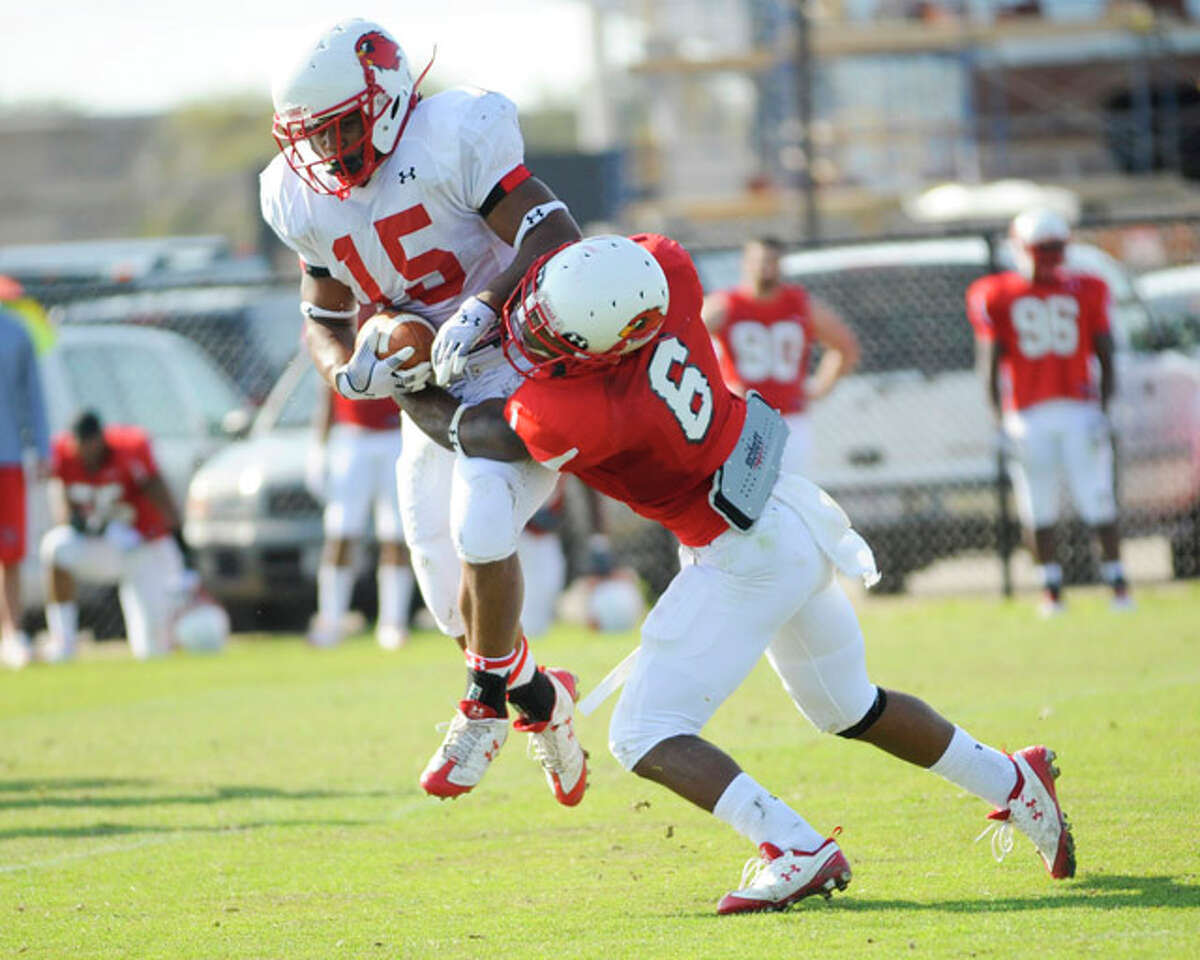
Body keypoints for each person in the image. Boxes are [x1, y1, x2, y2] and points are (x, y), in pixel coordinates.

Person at [392, 233, 1076, 913]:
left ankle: (794, 847)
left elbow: (476, 434)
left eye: (552, 330)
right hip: (785, 513)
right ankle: (1013, 779)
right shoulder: (667, 273)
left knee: (642, 732)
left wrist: (397, 388)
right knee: (850, 706)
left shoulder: (582, 408)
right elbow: (616, 259)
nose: (529, 328)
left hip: (743, 553)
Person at [259, 18, 587, 804]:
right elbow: (324, 316)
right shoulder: (296, 196)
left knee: (483, 525)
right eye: (310, 138)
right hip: (427, 389)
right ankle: (538, 695)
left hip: (514, 355)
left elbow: (556, 232)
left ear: (386, 97)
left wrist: (486, 304)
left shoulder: (452, 134)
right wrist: (344, 376)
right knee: (448, 601)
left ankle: (482, 705)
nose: (327, 154)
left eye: (339, 129)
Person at [967, 209, 1130, 615]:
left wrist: (1103, 409)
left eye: (1057, 248)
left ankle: (1118, 582)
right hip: (1028, 412)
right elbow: (990, 360)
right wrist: (998, 418)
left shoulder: (1089, 287)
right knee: (1036, 504)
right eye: (1044, 249)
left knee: (1097, 497)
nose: (1051, 257)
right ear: (1021, 248)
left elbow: (1105, 352)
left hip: (1077, 407)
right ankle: (1051, 588)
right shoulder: (995, 292)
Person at [41, 411, 192, 661]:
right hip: (102, 547)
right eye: (81, 446)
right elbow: (63, 514)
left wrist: (183, 552)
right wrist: (99, 528)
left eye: (90, 444)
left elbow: (162, 499)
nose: (86, 452)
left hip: (142, 546)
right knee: (56, 547)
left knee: (152, 650)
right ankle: (63, 643)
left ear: (100, 439)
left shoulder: (130, 449)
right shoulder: (63, 456)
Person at [702, 236, 859, 470]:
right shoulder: (725, 305)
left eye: (771, 261)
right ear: (744, 263)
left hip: (788, 417)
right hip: (741, 416)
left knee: (791, 492)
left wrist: (819, 387)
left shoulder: (799, 304)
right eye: (758, 261)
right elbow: (687, 340)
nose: (764, 268)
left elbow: (845, 347)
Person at [306, 377, 414, 650]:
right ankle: (331, 620)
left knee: (396, 533)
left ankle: (393, 621)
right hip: (351, 436)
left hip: (396, 434)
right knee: (341, 531)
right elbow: (327, 379)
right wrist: (320, 444)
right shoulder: (338, 332)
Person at [0, 300, 50, 669]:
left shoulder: (16, 331)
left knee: (9, 552)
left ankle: (11, 633)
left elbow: (33, 396)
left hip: (8, 456)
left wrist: (41, 447)